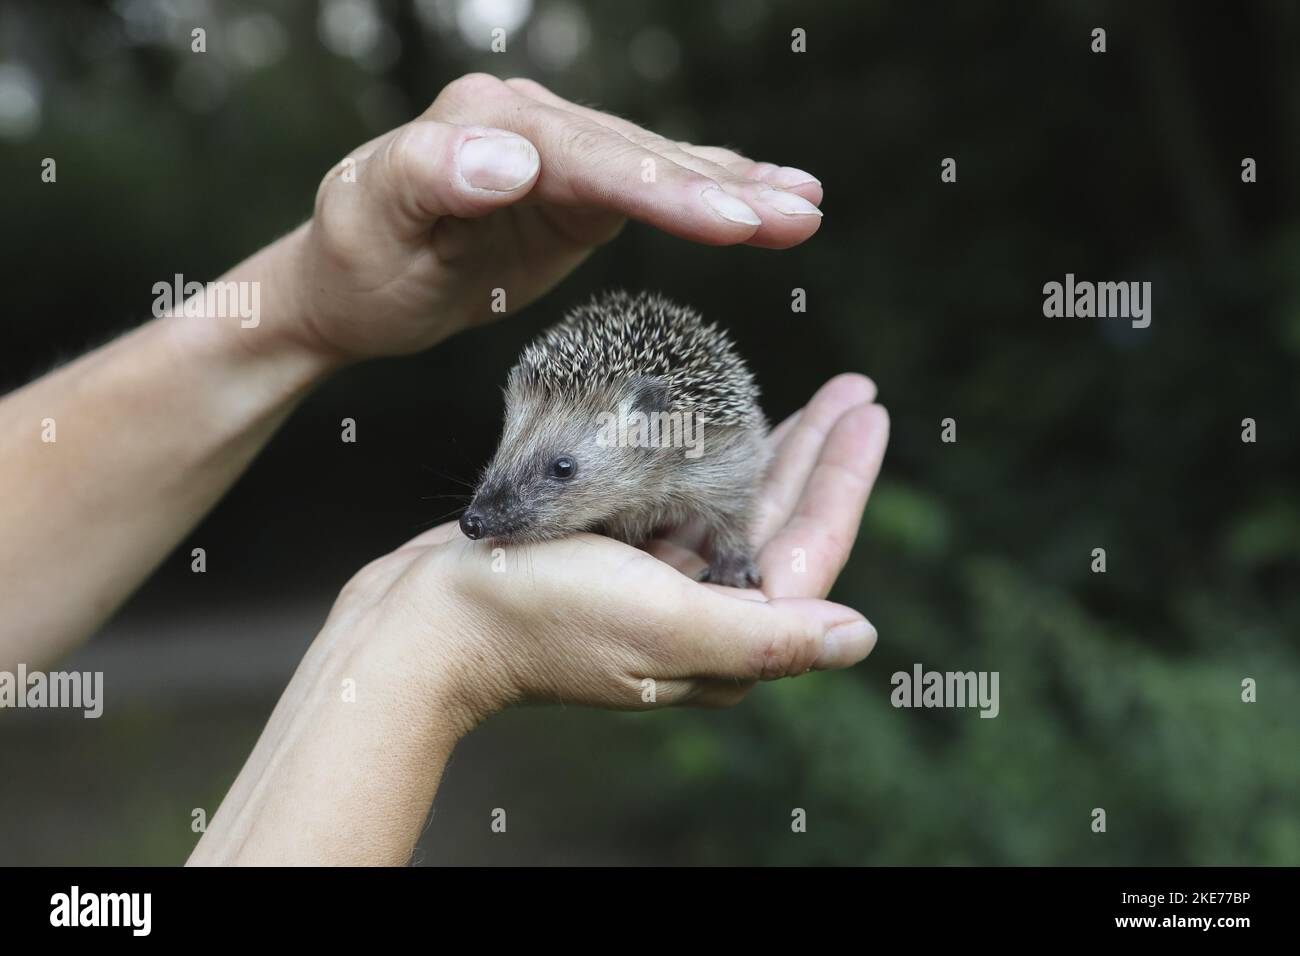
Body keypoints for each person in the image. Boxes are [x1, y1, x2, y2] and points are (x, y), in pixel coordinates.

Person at [0, 74, 889, 865]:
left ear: (661, 439)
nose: (488, 510)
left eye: (560, 471)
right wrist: (439, 644)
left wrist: (310, 306)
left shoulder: (704, 456)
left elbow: (727, 507)